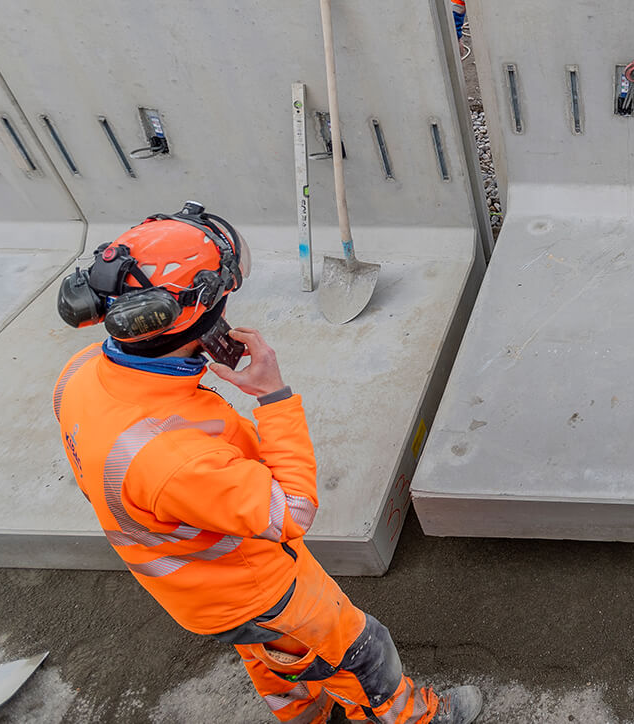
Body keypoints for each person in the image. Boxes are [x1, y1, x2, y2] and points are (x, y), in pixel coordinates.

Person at [52, 202, 482, 724]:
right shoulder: (175, 454)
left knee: (277, 660)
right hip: (258, 587)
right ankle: (422, 719)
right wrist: (274, 397)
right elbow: (292, 512)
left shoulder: (78, 375)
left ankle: (306, 717)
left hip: (199, 590)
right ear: (200, 314)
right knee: (360, 652)